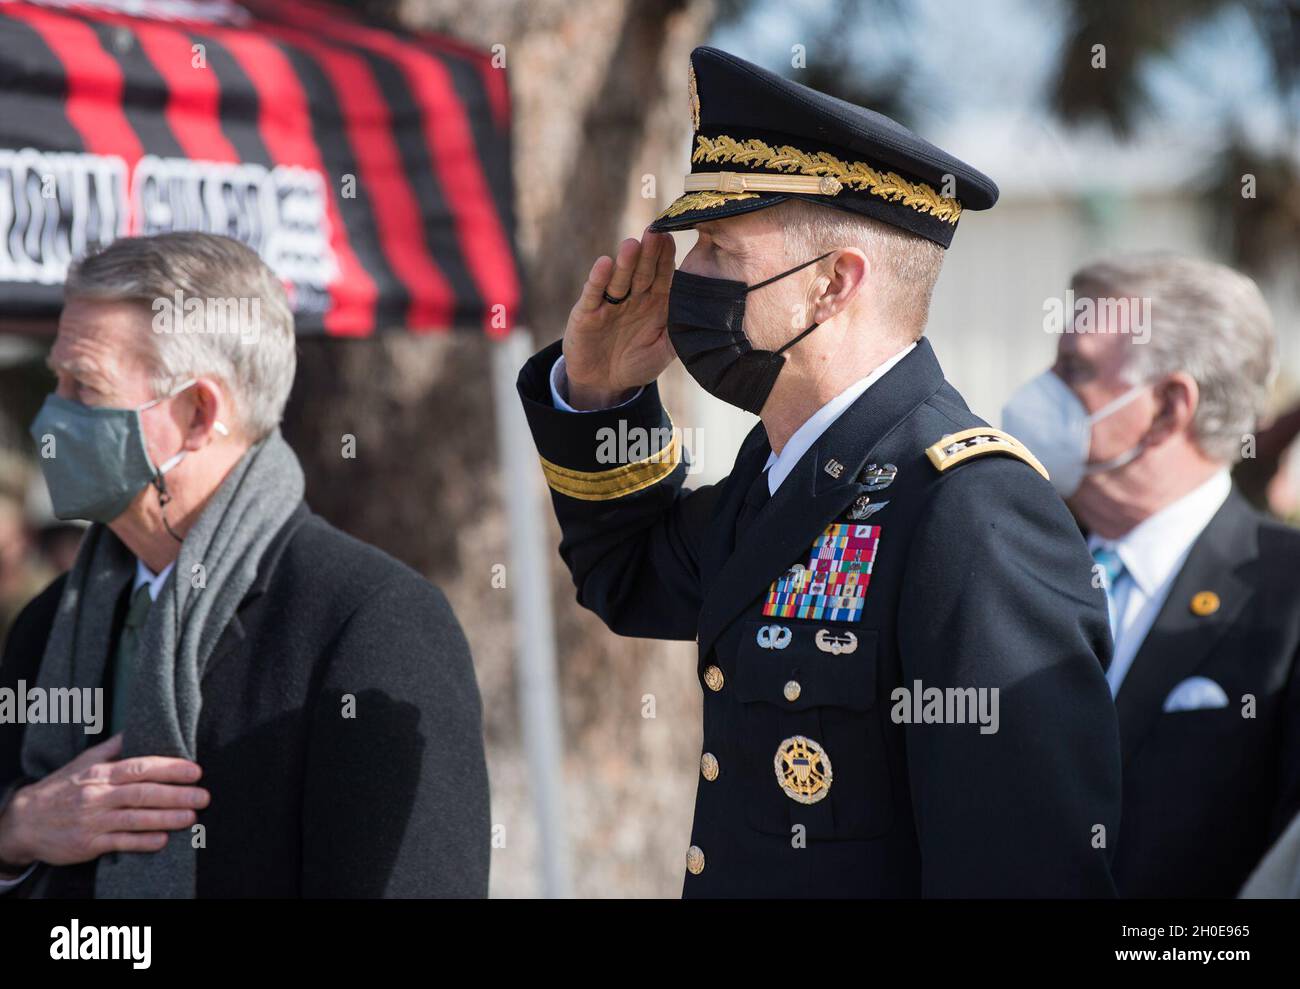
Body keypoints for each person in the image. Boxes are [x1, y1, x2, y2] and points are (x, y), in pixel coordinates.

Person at [516, 46, 1121, 897]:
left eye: (722, 249)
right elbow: (628, 574)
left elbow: (1023, 870)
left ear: (835, 284)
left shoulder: (970, 507)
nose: (685, 277)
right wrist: (600, 393)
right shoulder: (780, 474)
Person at [0, 232, 490, 898]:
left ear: (199, 412)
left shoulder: (371, 623)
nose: (49, 419)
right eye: (56, 380)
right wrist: (16, 828)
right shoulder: (46, 625)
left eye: (83, 387)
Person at [1003, 254, 1300, 898]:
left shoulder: (1287, 596)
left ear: (1168, 407)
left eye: (1075, 368)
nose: (1041, 391)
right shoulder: (1012, 563)